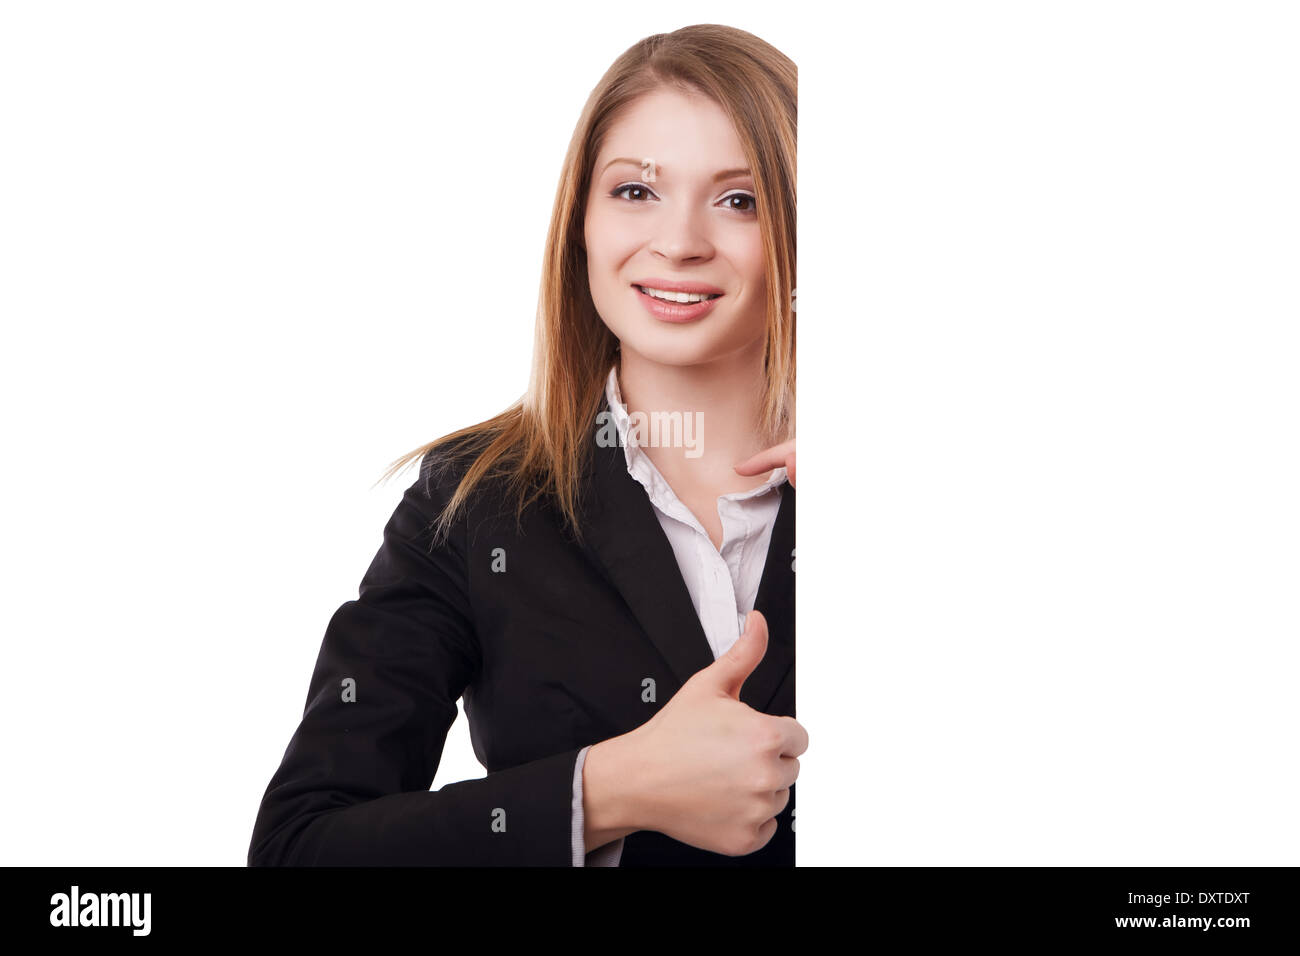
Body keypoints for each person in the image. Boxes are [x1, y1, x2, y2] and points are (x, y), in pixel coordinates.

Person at [247, 23, 803, 867]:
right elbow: (301, 849)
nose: (681, 240)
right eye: (635, 192)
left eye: (740, 199)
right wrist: (608, 790)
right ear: (580, 221)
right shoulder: (475, 504)